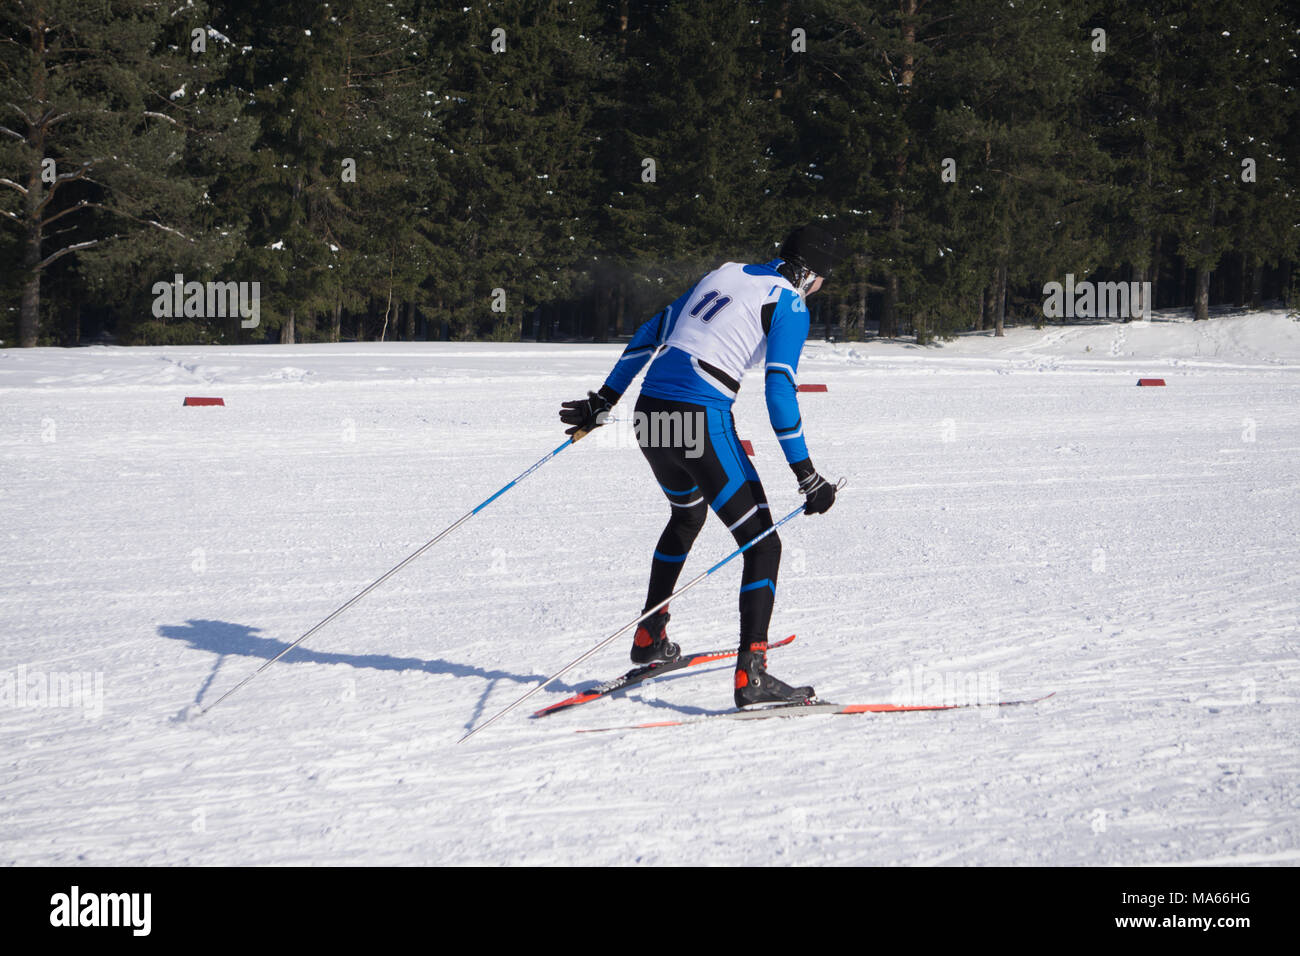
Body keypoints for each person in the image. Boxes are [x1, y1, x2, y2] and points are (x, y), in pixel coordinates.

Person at [559, 225, 842, 708]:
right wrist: (807, 475)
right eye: (824, 278)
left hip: (650, 414)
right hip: (698, 419)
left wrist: (605, 400)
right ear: (810, 274)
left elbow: (653, 330)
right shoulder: (791, 305)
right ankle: (751, 675)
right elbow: (778, 393)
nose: (821, 287)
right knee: (762, 544)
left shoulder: (728, 272)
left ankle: (650, 637)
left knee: (687, 515)